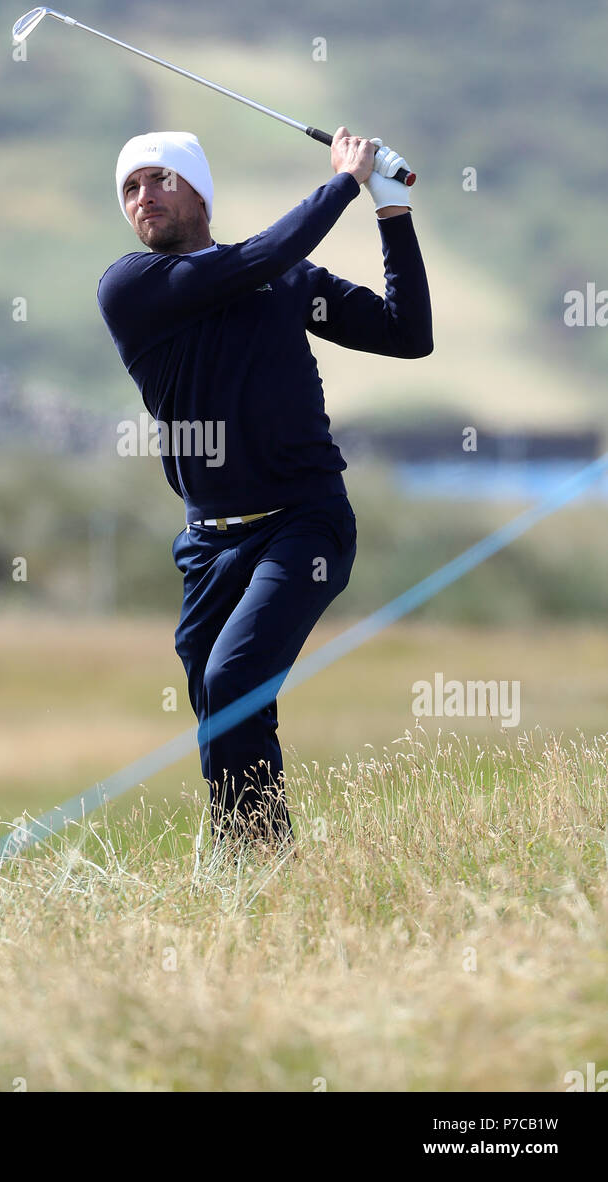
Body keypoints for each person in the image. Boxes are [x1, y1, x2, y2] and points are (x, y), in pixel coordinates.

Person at [97, 127, 433, 847]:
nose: (143, 197)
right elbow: (257, 259)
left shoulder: (288, 283)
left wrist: (389, 210)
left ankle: (248, 867)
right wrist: (343, 181)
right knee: (227, 707)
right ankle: (252, 865)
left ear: (197, 191)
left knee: (232, 680)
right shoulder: (134, 289)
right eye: (130, 188)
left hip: (304, 524)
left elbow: (409, 334)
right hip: (207, 548)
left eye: (159, 179)